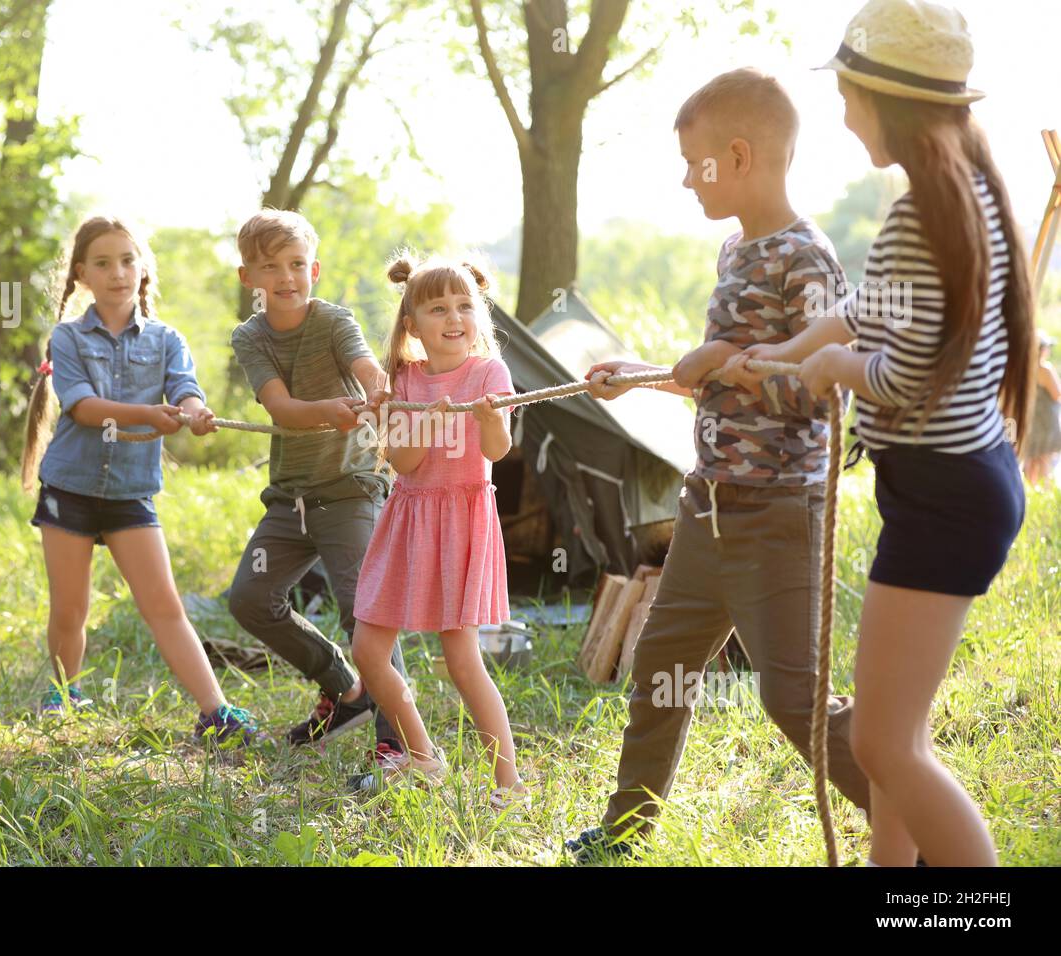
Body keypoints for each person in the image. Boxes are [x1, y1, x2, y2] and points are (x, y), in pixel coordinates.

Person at [726, 0, 1034, 865]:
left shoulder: (918, 217)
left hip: (944, 500)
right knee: (896, 732)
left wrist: (825, 373)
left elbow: (899, 375)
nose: (843, 111)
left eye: (850, 92)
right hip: (964, 484)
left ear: (884, 98)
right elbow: (873, 311)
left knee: (880, 746)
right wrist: (790, 348)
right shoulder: (966, 198)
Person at [565, 67, 871, 862]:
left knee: (792, 697)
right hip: (708, 510)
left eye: (694, 161)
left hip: (778, 516)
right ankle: (626, 830)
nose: (684, 177)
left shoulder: (806, 259)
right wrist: (635, 372)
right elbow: (715, 382)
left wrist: (727, 358)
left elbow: (823, 386)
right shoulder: (736, 248)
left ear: (738, 156)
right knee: (663, 664)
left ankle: (912, 826)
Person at [21, 215, 261, 746]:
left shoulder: (167, 339)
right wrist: (152, 415)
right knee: (70, 608)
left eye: (127, 260)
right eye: (103, 263)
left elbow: (185, 387)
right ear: (82, 273)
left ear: (142, 268)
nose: (117, 272)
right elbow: (82, 406)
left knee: (165, 606)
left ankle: (215, 711)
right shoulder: (67, 337)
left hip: (131, 493)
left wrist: (194, 410)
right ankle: (65, 693)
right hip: (70, 488)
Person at [225, 210, 410, 777]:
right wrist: (327, 413)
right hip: (289, 498)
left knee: (365, 611)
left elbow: (368, 371)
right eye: (271, 267)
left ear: (316, 269)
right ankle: (346, 689)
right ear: (247, 278)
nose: (287, 277)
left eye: (297, 264)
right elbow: (280, 407)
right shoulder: (250, 336)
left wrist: (384, 394)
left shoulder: (333, 322)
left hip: (349, 490)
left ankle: (398, 742)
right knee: (250, 598)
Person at [350, 254, 527, 808]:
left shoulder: (488, 375)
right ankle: (422, 754)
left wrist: (488, 417)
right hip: (409, 518)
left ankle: (509, 782)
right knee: (367, 648)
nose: (454, 318)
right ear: (413, 324)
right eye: (438, 308)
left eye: (464, 307)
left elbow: (497, 452)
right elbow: (403, 462)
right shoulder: (405, 379)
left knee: (460, 659)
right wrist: (427, 420)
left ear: (478, 314)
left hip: (461, 520)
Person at [1023, 334, 1061, 485]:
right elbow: (1057, 394)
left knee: (1031, 459)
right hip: (1046, 421)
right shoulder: (1045, 369)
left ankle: (1031, 492)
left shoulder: (1024, 370)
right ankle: (1045, 493)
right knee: (1045, 459)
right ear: (1042, 350)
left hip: (1030, 420)